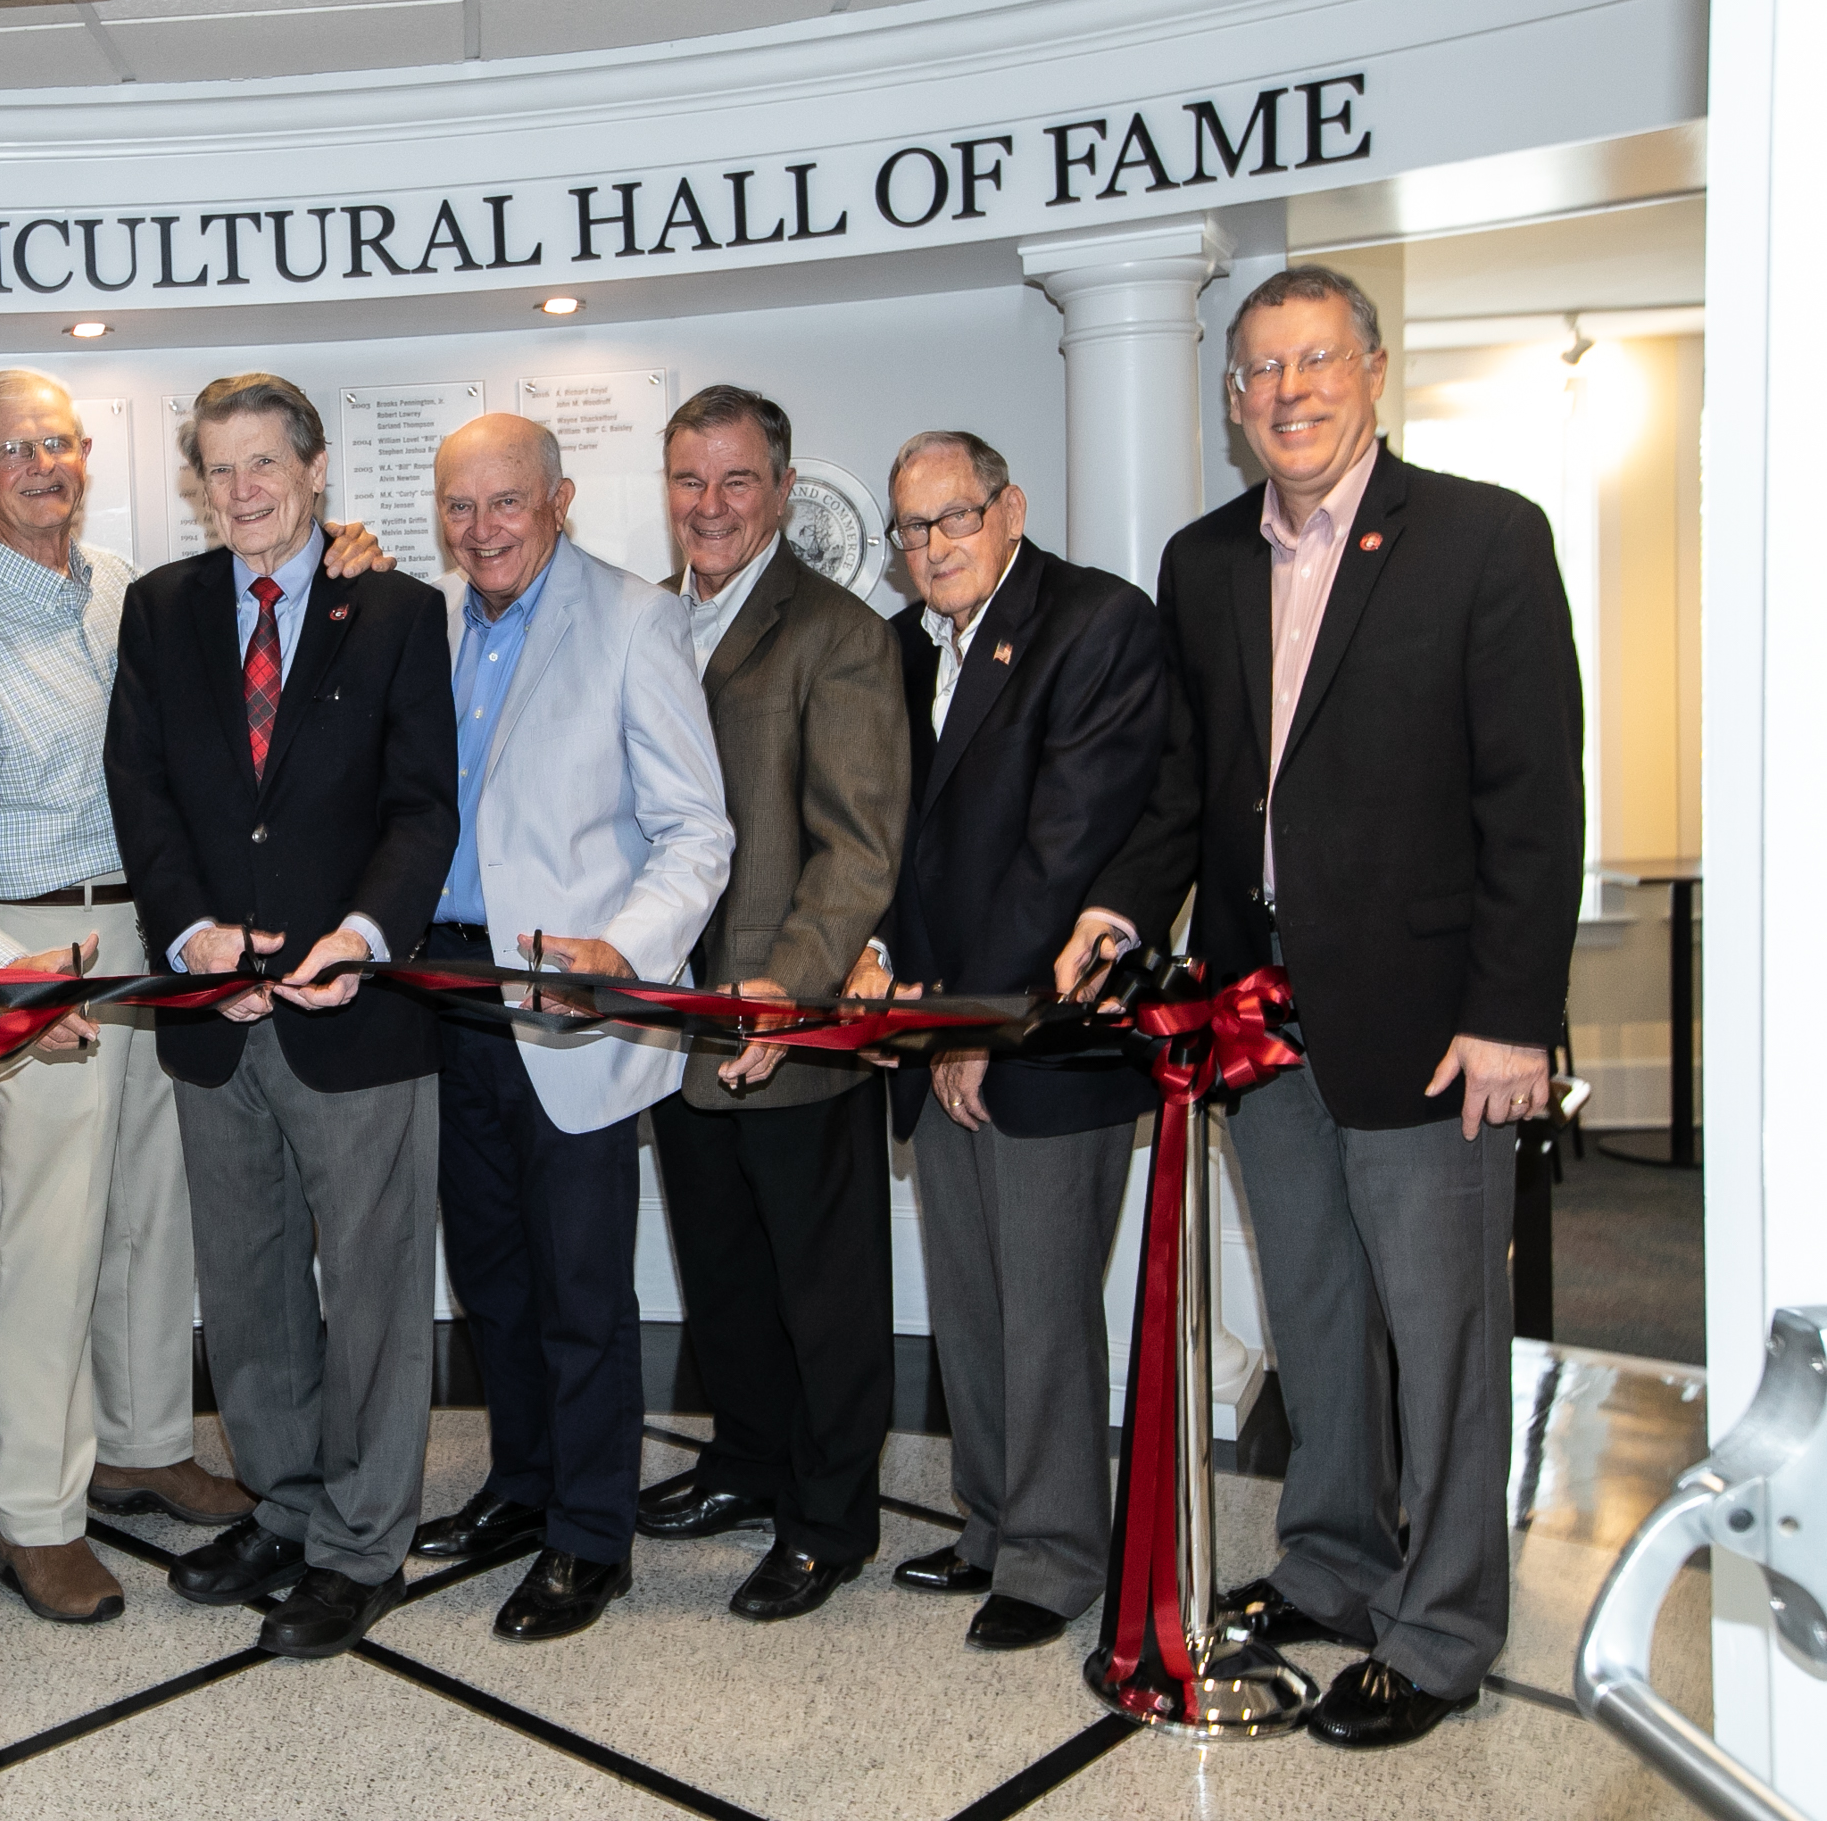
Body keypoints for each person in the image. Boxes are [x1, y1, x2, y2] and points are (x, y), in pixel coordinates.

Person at [1060, 264, 1583, 1747]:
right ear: (1228, 400)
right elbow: (1187, 784)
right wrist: (1114, 906)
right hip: (1257, 1011)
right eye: (1259, 370)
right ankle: (1333, 1557)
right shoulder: (1202, 559)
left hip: (1431, 1017)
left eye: (1312, 362)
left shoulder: (1481, 537)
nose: (1286, 391)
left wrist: (1510, 1013)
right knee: (1314, 1307)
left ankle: (1439, 1626)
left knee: (1440, 1331)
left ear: (1368, 368)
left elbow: (1533, 801)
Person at [0, 368, 391, 1625]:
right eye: (12, 450)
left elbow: (238, 670)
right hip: (32, 939)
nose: (41, 466)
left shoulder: (129, 590)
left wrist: (345, 557)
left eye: (57, 443)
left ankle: (147, 1436)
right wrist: (1, 983)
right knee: (46, 1237)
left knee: (157, 1215)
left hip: (164, 939)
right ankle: (40, 1514)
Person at [103, 373, 459, 1659]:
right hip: (213, 1009)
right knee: (247, 1286)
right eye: (218, 469)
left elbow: (424, 804)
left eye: (264, 465)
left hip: (349, 1011)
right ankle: (287, 1502)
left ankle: (363, 1542)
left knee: (369, 1289)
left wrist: (359, 940)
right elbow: (137, 790)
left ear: (314, 471)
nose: (241, 491)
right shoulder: (162, 610)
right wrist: (193, 935)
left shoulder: (400, 613)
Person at [408, 412, 732, 1642]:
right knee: (488, 1273)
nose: (481, 528)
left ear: (560, 500)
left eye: (505, 502)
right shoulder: (425, 623)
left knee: (580, 1285)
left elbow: (696, 830)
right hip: (445, 996)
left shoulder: (635, 619)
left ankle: (590, 1535)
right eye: (458, 505)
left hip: (571, 1004)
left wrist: (625, 953)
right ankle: (521, 1483)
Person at [855, 431, 1166, 1654]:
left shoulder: (1093, 623)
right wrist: (879, 956)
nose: (930, 546)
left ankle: (1053, 1554)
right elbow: (893, 835)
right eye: (911, 528)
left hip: (1039, 1037)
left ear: (1009, 507)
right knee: (971, 1300)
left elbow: (1064, 846)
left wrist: (982, 1021)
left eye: (953, 518)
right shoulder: (898, 646)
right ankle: (989, 1522)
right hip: (940, 1027)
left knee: (1041, 1306)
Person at [633, 386, 910, 1624]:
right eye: (689, 481)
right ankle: (745, 1462)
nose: (710, 505)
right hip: (671, 1020)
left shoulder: (837, 633)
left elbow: (856, 848)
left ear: (783, 491)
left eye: (735, 481)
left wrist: (784, 989)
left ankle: (828, 1515)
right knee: (724, 1272)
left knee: (820, 1285)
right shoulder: (644, 621)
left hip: (778, 1019)